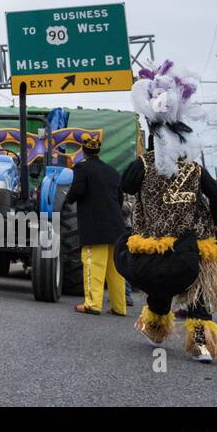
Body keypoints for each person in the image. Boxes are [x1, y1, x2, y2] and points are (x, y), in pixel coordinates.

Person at [118, 61, 217, 363]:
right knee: (195, 296)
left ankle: (157, 331)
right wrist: (216, 228)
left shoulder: (144, 164)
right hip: (192, 243)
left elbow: (125, 186)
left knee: (161, 292)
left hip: (160, 244)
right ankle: (200, 346)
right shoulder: (195, 169)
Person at [64, 133, 126, 315]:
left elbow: (77, 191)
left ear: (84, 151)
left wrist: (68, 199)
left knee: (93, 264)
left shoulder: (82, 169)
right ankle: (119, 306)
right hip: (116, 227)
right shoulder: (112, 171)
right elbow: (120, 199)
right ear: (98, 151)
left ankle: (92, 304)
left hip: (94, 226)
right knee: (115, 270)